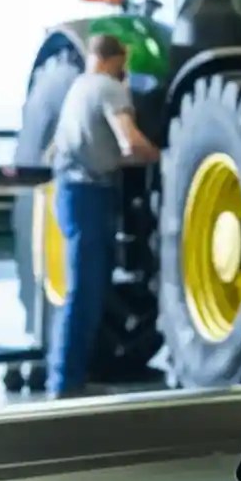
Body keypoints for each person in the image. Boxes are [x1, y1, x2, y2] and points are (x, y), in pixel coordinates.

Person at [45, 34, 160, 398]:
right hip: (91, 195)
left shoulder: (78, 88)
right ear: (117, 59)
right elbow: (130, 142)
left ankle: (71, 376)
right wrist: (166, 156)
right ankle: (65, 383)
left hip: (69, 192)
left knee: (84, 290)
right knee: (86, 292)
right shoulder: (109, 88)